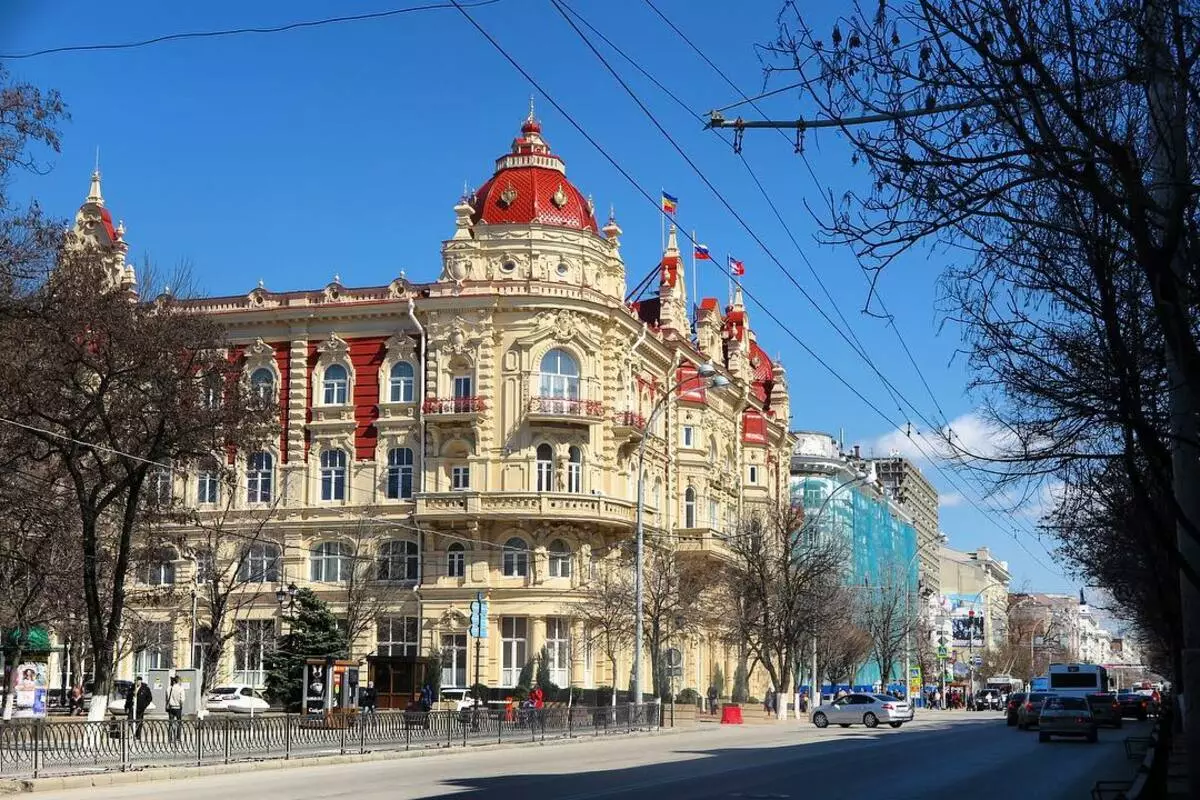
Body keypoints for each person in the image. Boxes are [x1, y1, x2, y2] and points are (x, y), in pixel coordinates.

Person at [165, 675, 186, 743]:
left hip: (171, 708)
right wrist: (181, 705)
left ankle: (170, 737)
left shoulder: (168, 689)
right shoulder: (180, 689)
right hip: (178, 708)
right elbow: (182, 700)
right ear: (178, 681)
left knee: (171, 723)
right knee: (179, 723)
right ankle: (178, 738)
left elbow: (166, 699)